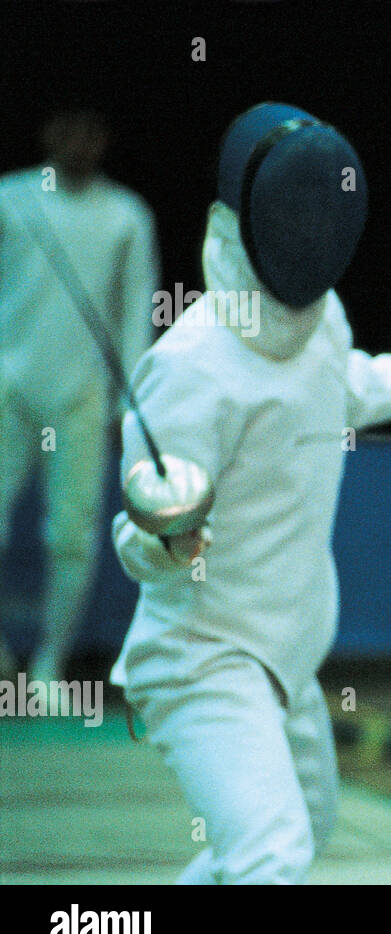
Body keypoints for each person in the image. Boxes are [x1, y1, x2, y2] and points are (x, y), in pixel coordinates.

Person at [109, 103, 391, 884]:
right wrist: (166, 540)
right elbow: (140, 534)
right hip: (201, 661)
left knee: (301, 829)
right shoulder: (190, 365)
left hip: (283, 660)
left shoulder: (320, 320)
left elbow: (353, 384)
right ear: (243, 215)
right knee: (271, 852)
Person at [0, 109, 159, 683]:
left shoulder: (126, 215)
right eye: (67, 128)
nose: (79, 142)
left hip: (82, 399)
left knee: (71, 536)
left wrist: (128, 402)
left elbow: (136, 308)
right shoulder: (11, 198)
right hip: (7, 389)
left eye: (92, 130)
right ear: (47, 133)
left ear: (105, 139)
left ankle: (48, 669)